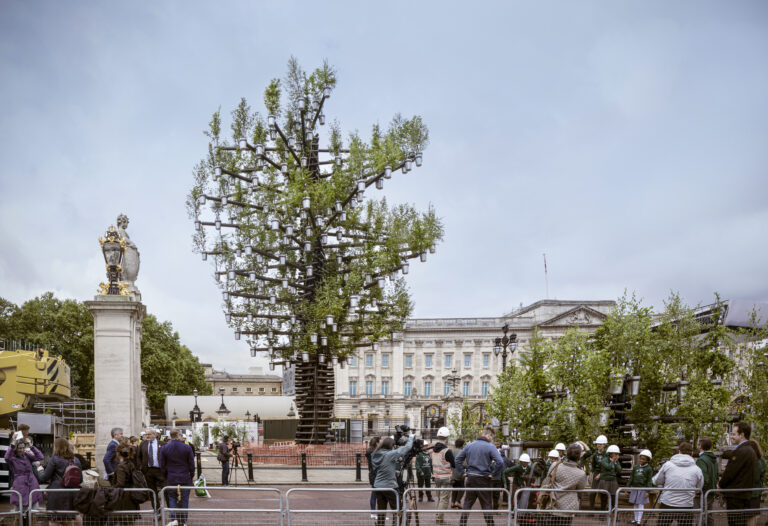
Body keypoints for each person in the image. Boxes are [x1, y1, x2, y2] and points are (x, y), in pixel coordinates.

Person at [456, 426, 506, 526]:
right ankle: (490, 524)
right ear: (489, 435)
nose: (492, 440)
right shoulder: (490, 447)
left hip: (471, 478)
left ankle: (462, 523)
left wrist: (462, 472)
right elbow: (500, 462)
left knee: (467, 503)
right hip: (484, 479)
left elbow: (458, 459)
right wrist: (494, 474)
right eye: (492, 437)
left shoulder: (469, 445)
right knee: (487, 504)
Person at [652, 441, 703, 526]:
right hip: (686, 505)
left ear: (679, 451)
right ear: (692, 453)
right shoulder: (697, 469)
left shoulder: (667, 465)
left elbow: (656, 480)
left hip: (668, 503)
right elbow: (699, 487)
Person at [719, 422, 758, 526]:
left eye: (734, 434)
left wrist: (720, 485)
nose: (732, 437)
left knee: (735, 522)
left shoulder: (741, 451)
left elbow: (730, 472)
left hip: (735, 496)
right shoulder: (751, 450)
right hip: (744, 494)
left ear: (742, 435)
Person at [371, 433, 414, 526]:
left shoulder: (375, 454)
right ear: (391, 446)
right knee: (397, 508)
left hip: (377, 486)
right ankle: (397, 524)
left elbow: (383, 467)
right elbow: (406, 448)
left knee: (381, 510)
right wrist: (411, 437)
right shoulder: (390, 454)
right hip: (389, 486)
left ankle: (380, 524)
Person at [540, 443, 588, 526]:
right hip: (568, 507)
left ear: (567, 454)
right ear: (579, 456)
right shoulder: (581, 473)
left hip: (553, 503)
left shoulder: (555, 465)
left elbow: (548, 479)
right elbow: (580, 489)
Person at [39, 437, 82, 518]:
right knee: (69, 520)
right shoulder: (76, 460)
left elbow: (44, 477)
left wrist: (40, 470)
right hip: (72, 494)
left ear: (56, 447)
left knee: (54, 520)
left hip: (57, 493)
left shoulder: (54, 459)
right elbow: (80, 480)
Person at [159, 429, 195, 526]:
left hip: (171, 476)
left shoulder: (165, 448)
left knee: (172, 498)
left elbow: (162, 465)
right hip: (184, 476)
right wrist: (191, 475)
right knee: (184, 499)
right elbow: (191, 464)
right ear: (179, 435)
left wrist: (165, 475)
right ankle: (183, 521)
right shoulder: (187, 448)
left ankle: (173, 519)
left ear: (170, 436)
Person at [5, 437, 44, 511]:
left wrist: (31, 446)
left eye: (23, 448)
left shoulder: (27, 455)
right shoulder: (12, 458)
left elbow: (40, 457)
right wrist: (13, 443)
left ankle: (31, 522)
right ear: (15, 448)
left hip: (32, 483)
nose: (22, 450)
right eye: (19, 448)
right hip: (20, 485)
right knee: (19, 511)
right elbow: (6, 457)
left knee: (34, 511)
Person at [430, 427, 456, 524]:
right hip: (446, 477)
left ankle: (439, 517)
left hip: (436, 477)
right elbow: (454, 464)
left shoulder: (433, 450)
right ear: (446, 437)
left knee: (440, 498)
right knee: (444, 499)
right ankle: (439, 519)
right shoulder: (447, 451)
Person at [138, 428, 166, 508]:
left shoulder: (163, 444)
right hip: (148, 471)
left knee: (166, 490)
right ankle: (156, 511)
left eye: (149, 434)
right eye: (146, 434)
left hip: (160, 471)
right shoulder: (143, 444)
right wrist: (141, 467)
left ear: (155, 435)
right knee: (152, 492)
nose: (147, 436)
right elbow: (139, 457)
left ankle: (169, 511)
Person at [113, 441, 142, 514]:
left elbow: (120, 483)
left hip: (124, 498)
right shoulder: (130, 463)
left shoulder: (121, 466)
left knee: (124, 520)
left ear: (118, 453)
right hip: (131, 495)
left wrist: (111, 489)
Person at [627, 449, 654, 525]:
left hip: (642, 489)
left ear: (648, 460)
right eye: (640, 458)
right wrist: (627, 486)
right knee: (635, 504)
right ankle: (635, 519)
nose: (641, 460)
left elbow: (649, 480)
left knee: (640, 504)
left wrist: (648, 491)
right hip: (635, 488)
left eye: (643, 459)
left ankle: (639, 521)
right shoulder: (636, 467)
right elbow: (631, 477)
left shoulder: (649, 469)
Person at [581, 434, 608, 509]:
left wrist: (601, 474)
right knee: (592, 493)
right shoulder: (595, 454)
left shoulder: (607, 454)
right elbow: (593, 465)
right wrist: (591, 475)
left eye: (600, 444)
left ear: (604, 445)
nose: (598, 445)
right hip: (596, 474)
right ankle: (591, 510)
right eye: (597, 444)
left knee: (603, 493)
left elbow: (608, 467)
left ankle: (602, 512)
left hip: (604, 474)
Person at [696, 437, 719, 526]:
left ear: (700, 446)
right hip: (712, 490)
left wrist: (699, 490)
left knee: (700, 515)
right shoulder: (714, 458)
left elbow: (704, 478)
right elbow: (716, 474)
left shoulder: (702, 459)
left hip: (704, 491)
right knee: (709, 514)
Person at [597, 445, 623, 510]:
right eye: (615, 454)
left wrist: (615, 463)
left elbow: (619, 470)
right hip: (605, 480)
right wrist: (612, 462)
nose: (616, 455)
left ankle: (614, 514)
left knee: (613, 498)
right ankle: (602, 514)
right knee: (604, 498)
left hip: (613, 481)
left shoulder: (616, 461)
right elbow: (608, 467)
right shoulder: (604, 460)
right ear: (610, 453)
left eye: (617, 454)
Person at [366, 437, 381, 518]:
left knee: (374, 493)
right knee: (379, 494)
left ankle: (373, 512)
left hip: (372, 474)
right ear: (376, 443)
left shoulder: (369, 451)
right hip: (377, 474)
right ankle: (378, 513)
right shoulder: (376, 452)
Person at [450, 437, 466, 509]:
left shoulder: (451, 451)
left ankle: (452, 502)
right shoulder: (462, 451)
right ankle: (457, 501)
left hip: (452, 472)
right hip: (460, 472)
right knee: (462, 488)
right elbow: (465, 464)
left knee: (455, 488)